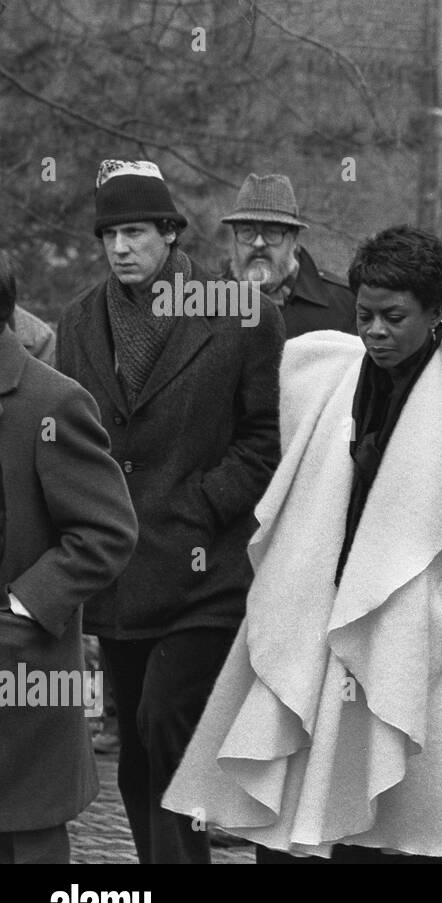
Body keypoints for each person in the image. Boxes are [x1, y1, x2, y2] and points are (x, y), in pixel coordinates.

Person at [163, 226, 442, 862]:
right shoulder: (329, 377)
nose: (376, 331)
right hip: (326, 629)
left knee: (411, 828)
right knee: (298, 830)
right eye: (365, 315)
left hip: (431, 646)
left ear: (435, 313)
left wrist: (430, 616)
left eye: (395, 317)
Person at [55, 159, 285, 864]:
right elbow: (71, 435)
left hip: (204, 569)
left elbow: (265, 438)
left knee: (163, 723)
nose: (120, 248)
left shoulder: (242, 314)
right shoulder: (80, 321)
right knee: (136, 751)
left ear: (169, 233)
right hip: (122, 571)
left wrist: (200, 507)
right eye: (108, 235)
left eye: (134, 232)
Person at [0, 253, 138, 864]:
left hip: (21, 674)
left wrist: (22, 608)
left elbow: (105, 531)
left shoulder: (52, 403)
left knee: (27, 837)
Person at [222, 173, 356, 339]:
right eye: (247, 232)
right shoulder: (204, 303)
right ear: (234, 237)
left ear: (294, 238)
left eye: (272, 232)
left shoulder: (343, 305)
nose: (258, 243)